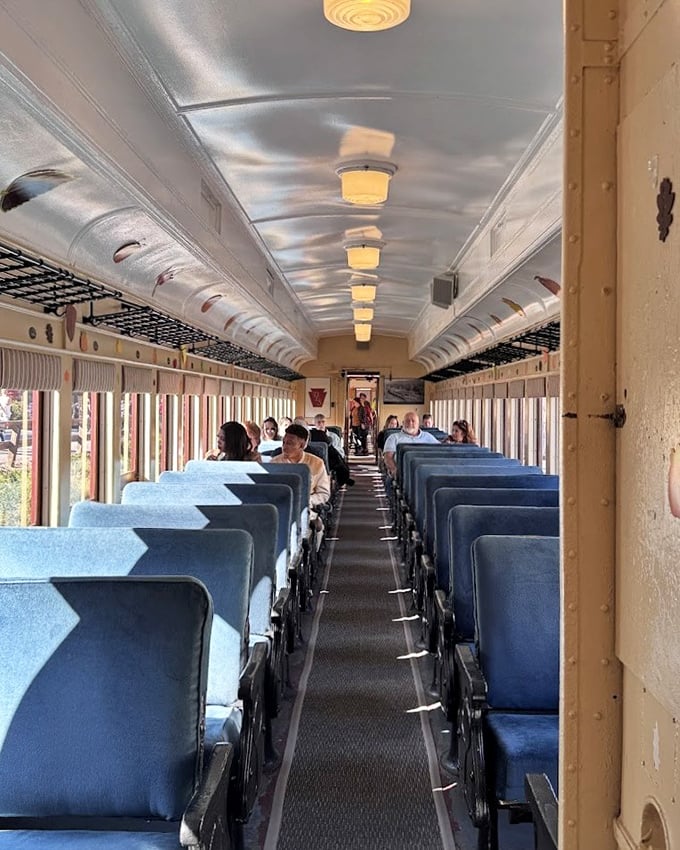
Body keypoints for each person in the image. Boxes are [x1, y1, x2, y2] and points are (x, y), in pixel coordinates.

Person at [272, 423, 331, 510]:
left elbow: (324, 493)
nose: (284, 447)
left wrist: (308, 501)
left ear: (302, 445)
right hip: (281, 507)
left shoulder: (317, 463)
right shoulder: (274, 463)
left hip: (307, 508)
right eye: (283, 443)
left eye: (290, 444)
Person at [382, 411, 439, 478]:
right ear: (403, 423)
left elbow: (440, 451)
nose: (410, 423)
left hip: (427, 473)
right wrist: (395, 471)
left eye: (413, 421)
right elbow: (388, 458)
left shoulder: (428, 437)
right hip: (402, 473)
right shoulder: (393, 438)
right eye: (407, 421)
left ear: (418, 424)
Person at [310, 414, 354, 488]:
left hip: (331, 460)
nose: (321, 424)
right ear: (314, 424)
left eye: (323, 422)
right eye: (319, 422)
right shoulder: (311, 436)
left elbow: (340, 452)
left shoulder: (333, 436)